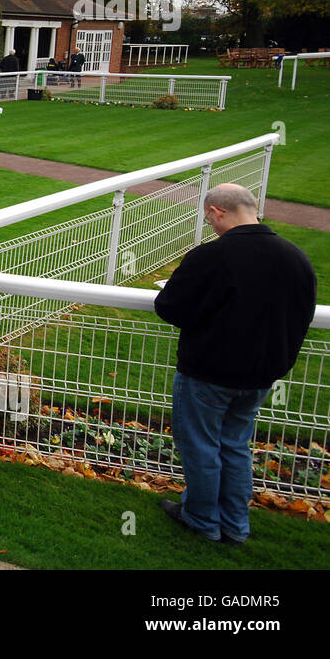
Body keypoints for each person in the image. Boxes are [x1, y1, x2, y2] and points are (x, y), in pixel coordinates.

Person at [154, 183, 316, 544]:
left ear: (216, 211)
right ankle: (235, 526)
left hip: (209, 372)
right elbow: (300, 316)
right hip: (261, 377)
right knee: (235, 445)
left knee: (202, 445)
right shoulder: (296, 257)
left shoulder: (211, 255)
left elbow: (169, 307)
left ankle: (202, 521)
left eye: (208, 217)